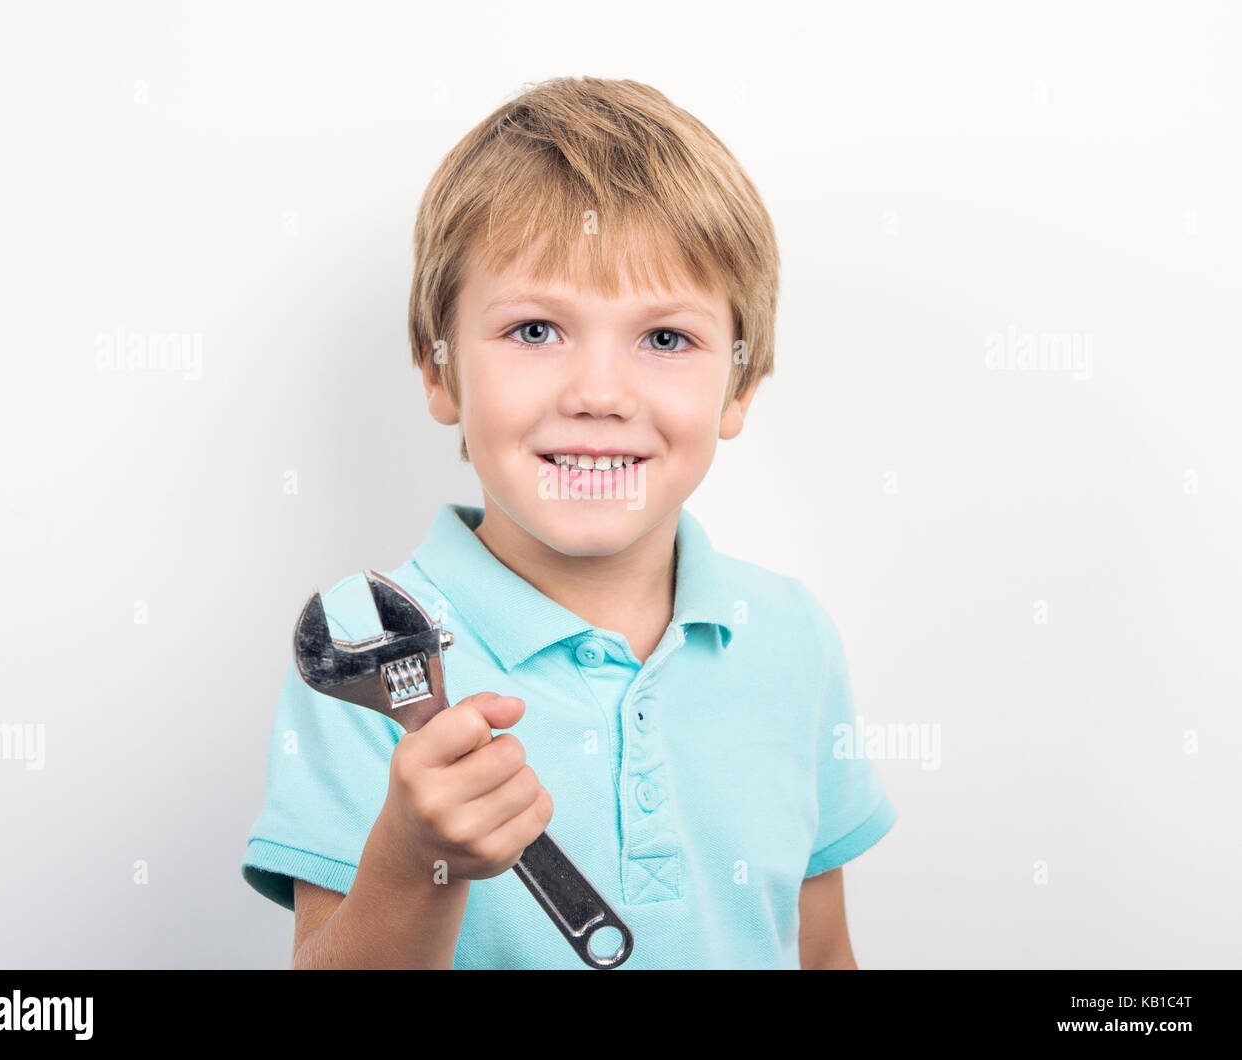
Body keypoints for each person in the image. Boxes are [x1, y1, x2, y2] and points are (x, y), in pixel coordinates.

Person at [242, 76, 897, 969]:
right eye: (536, 330)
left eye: (665, 339)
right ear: (440, 373)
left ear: (739, 387)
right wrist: (416, 858)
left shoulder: (792, 641)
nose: (597, 395)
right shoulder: (368, 667)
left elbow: (821, 954)